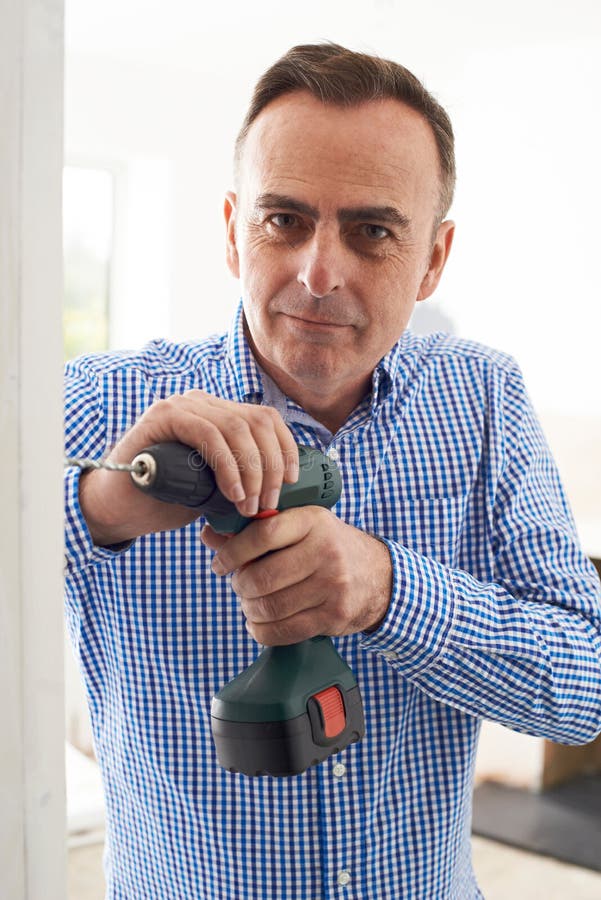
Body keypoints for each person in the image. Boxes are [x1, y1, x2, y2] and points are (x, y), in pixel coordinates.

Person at [64, 43, 601, 900]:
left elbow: (584, 687)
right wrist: (101, 504)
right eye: (283, 220)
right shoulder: (104, 403)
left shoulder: (485, 401)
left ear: (432, 259)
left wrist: (387, 592)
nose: (319, 274)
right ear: (233, 233)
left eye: (373, 231)